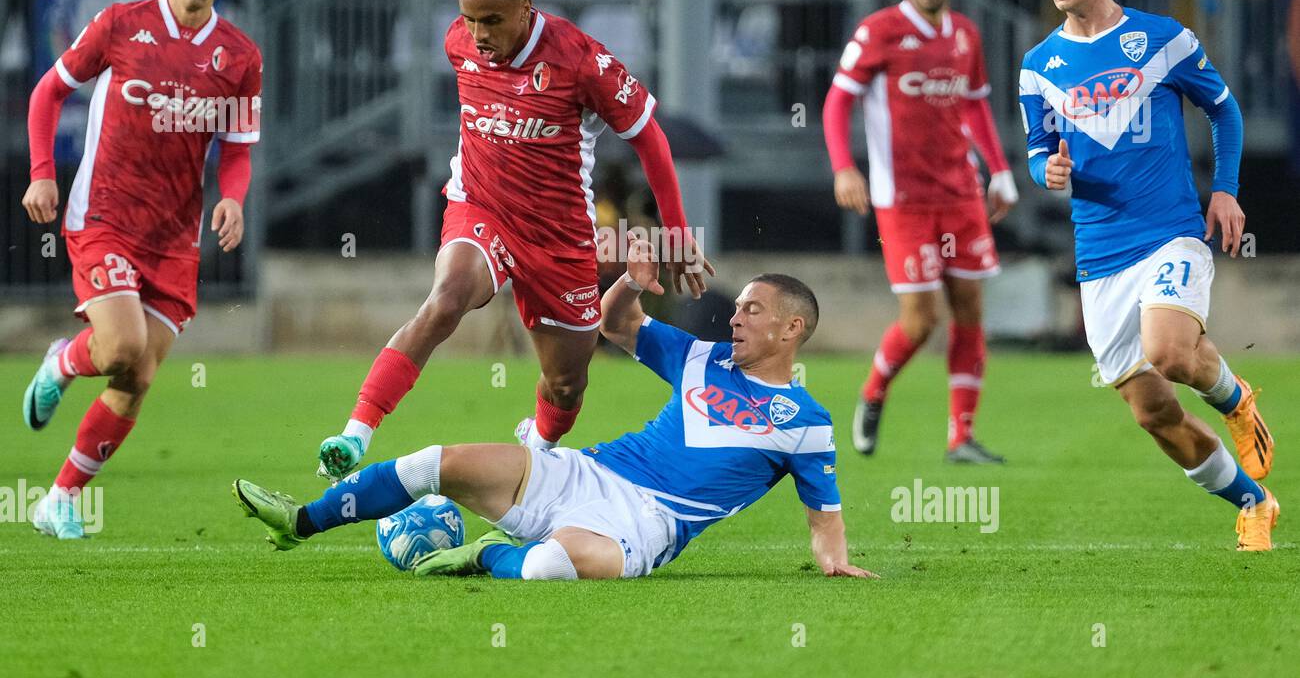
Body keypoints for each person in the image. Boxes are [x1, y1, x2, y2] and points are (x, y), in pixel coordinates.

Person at [235, 238, 876, 581]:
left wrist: (834, 560)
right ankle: (301, 521)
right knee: (436, 462)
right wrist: (632, 281)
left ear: (792, 329)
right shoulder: (699, 357)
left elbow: (824, 513)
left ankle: (485, 556)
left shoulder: (809, 423)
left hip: (648, 524)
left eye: (752, 311)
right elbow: (616, 324)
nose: (734, 316)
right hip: (588, 471)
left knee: (553, 566)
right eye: (737, 308)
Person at [313, 0, 712, 485]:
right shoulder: (458, 42)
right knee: (446, 298)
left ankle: (539, 445)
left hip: (559, 236)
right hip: (480, 208)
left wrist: (679, 232)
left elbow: (650, 138)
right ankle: (355, 433)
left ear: (525, 9)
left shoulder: (580, 60)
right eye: (470, 18)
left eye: (492, 20)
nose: (477, 33)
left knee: (566, 384)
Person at [1021, 0, 1277, 551]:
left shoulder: (1163, 40)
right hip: (1099, 251)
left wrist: (1225, 189)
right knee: (1153, 413)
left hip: (1169, 231)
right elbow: (1035, 148)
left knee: (1168, 351)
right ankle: (1253, 502)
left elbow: (1224, 111)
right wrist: (1043, 170)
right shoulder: (1038, 65)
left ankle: (1233, 396)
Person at [20, 0, 260, 539]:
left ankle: (60, 500)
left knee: (138, 376)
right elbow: (48, 93)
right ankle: (63, 363)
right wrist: (42, 173)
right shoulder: (119, 25)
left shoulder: (239, 56)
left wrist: (232, 199)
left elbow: (236, 148)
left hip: (175, 237)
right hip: (104, 215)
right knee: (121, 347)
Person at [822, 0, 1017, 464]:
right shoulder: (879, 31)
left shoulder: (966, 36)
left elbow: (975, 106)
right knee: (920, 319)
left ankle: (961, 436)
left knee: (970, 309)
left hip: (961, 193)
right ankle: (873, 392)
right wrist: (844, 168)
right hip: (902, 199)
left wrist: (999, 171)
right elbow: (837, 103)